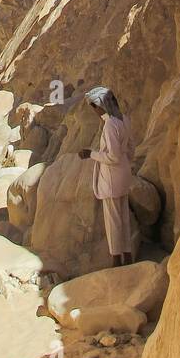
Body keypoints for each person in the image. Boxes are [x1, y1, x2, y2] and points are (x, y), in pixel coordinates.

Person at [78, 86, 135, 266]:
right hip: (124, 175)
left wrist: (91, 154)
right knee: (124, 218)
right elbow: (130, 150)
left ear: (101, 106)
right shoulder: (124, 119)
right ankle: (128, 255)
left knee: (113, 221)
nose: (94, 112)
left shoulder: (110, 124)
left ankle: (116, 260)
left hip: (111, 179)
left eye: (94, 107)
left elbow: (113, 156)